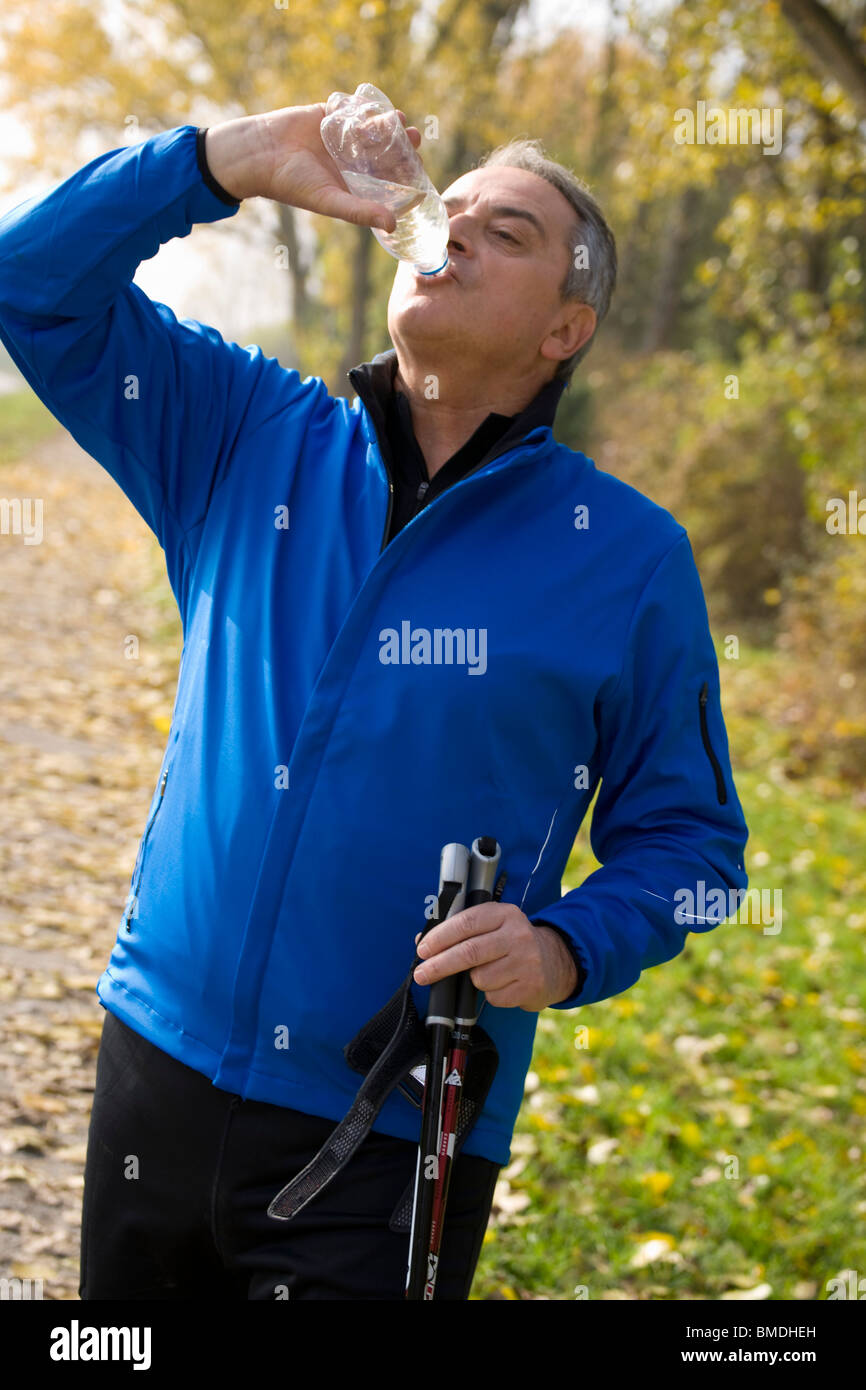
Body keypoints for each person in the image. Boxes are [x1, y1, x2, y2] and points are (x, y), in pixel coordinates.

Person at [0, 100, 749, 1301]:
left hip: (400, 1131)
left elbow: (695, 847)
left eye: (504, 230)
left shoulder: (626, 557)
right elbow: (27, 278)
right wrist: (219, 162)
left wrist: (563, 943)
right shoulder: (246, 435)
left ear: (567, 327)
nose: (451, 232)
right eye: (445, 211)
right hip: (157, 1066)